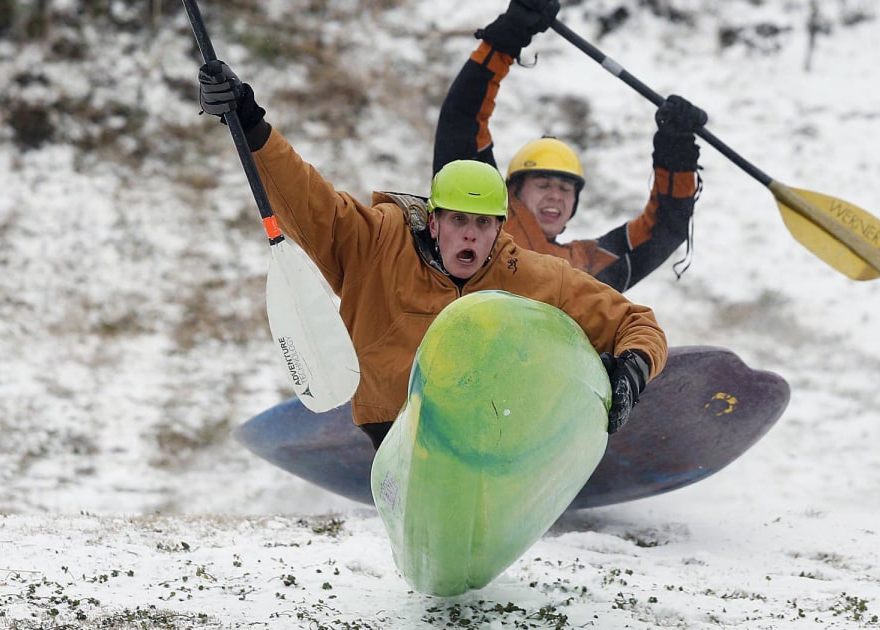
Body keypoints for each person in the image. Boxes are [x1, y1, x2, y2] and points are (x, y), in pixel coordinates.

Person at [198, 62, 668, 449]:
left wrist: (632, 371)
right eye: (459, 221)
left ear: (500, 228)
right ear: (434, 220)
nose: (470, 235)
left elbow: (638, 324)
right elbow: (305, 198)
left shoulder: (530, 273)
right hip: (391, 427)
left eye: (483, 223)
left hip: (490, 432)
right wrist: (248, 120)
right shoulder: (375, 242)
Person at [434, 0, 708, 292]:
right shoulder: (484, 226)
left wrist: (675, 152)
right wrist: (505, 40)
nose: (556, 196)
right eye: (542, 184)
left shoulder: (587, 265)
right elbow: (461, 121)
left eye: (566, 189)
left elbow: (665, 227)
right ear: (512, 191)